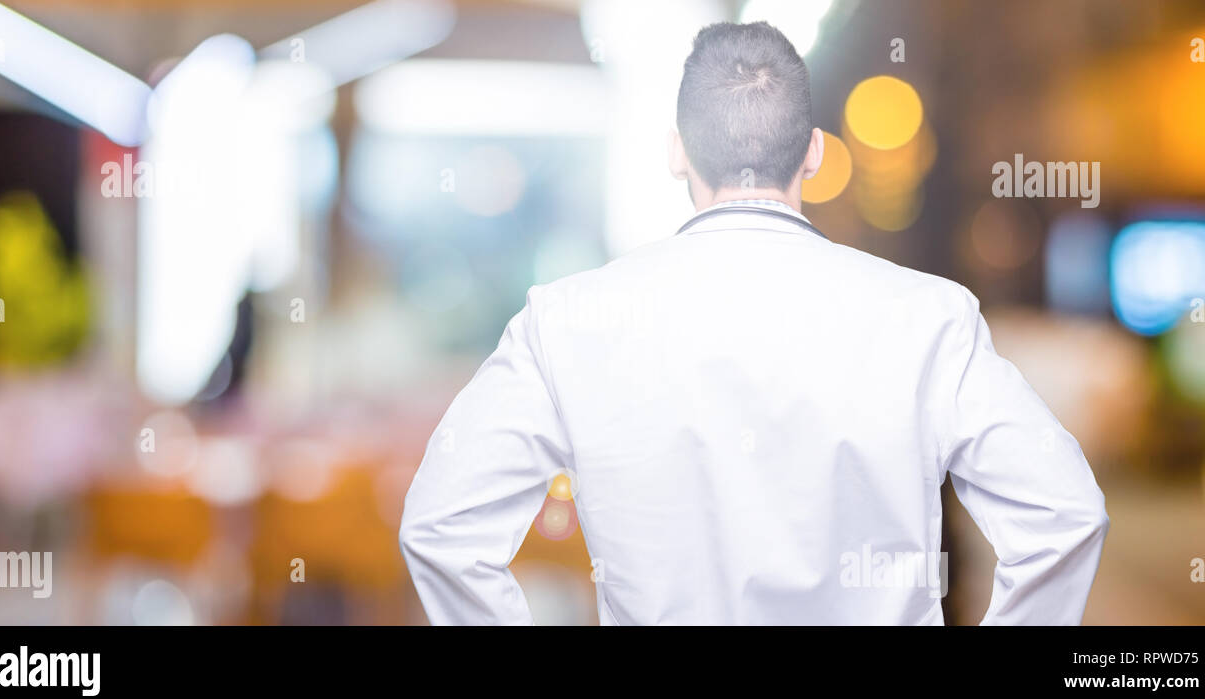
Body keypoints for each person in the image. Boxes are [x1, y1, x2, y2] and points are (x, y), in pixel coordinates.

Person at [399, 21, 1108, 625]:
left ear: (677, 151)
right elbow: (1064, 519)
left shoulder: (565, 321)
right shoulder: (930, 318)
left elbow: (440, 530)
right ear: (814, 153)